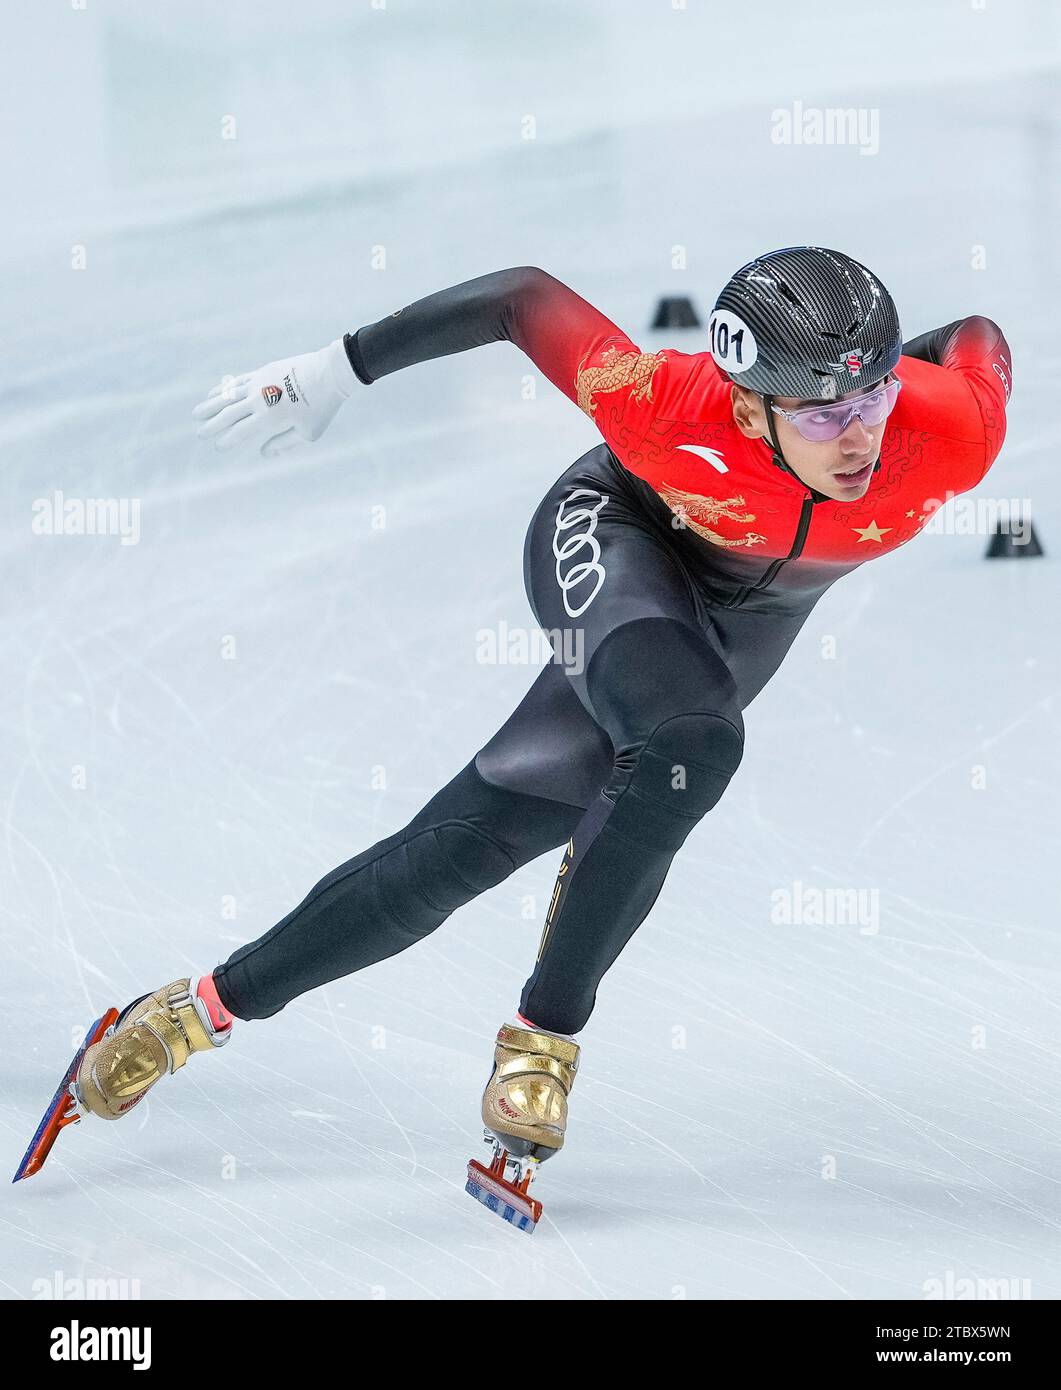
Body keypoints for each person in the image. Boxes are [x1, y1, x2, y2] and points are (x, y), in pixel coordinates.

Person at [27, 249, 1012, 1221]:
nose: (860, 438)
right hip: (615, 540)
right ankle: (542, 1043)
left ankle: (193, 1009)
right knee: (690, 740)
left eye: (873, 399)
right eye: (825, 413)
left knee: (469, 843)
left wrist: (887, 365)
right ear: (747, 403)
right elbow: (522, 299)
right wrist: (333, 367)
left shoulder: (949, 427)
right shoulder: (663, 403)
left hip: (740, 628)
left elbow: (975, 340)